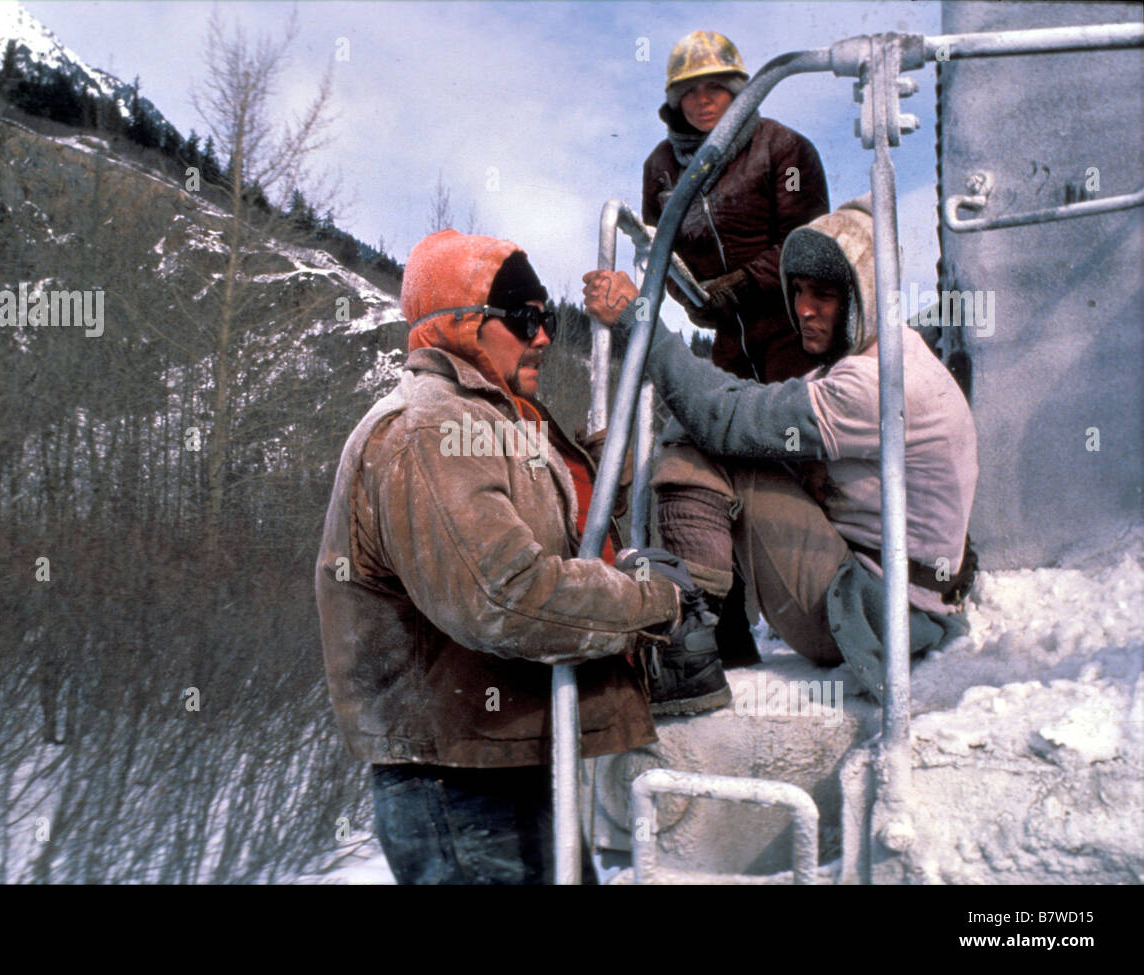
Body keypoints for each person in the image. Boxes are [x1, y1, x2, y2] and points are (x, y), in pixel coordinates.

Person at [315, 230, 716, 885]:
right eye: (525, 319)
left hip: (503, 765)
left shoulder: (491, 423)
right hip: (458, 788)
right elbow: (502, 595)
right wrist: (653, 601)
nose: (543, 338)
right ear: (461, 324)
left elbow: (543, 518)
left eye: (548, 319)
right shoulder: (429, 430)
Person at [583, 196, 979, 701]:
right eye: (796, 291)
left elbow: (720, 417)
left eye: (825, 295)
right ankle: (713, 633)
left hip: (877, 615)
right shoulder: (897, 352)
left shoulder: (873, 381)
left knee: (696, 436)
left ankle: (691, 649)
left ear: (866, 297)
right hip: (907, 597)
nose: (805, 309)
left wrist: (640, 318)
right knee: (730, 435)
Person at [641, 29, 832, 672]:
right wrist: (692, 297)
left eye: (716, 88)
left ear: (740, 92)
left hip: (788, 328)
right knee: (705, 451)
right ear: (675, 101)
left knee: (802, 457)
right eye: (690, 92)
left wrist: (737, 288)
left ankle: (836, 604)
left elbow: (809, 245)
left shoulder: (785, 149)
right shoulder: (661, 169)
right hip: (726, 338)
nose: (704, 101)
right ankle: (725, 632)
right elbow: (658, 247)